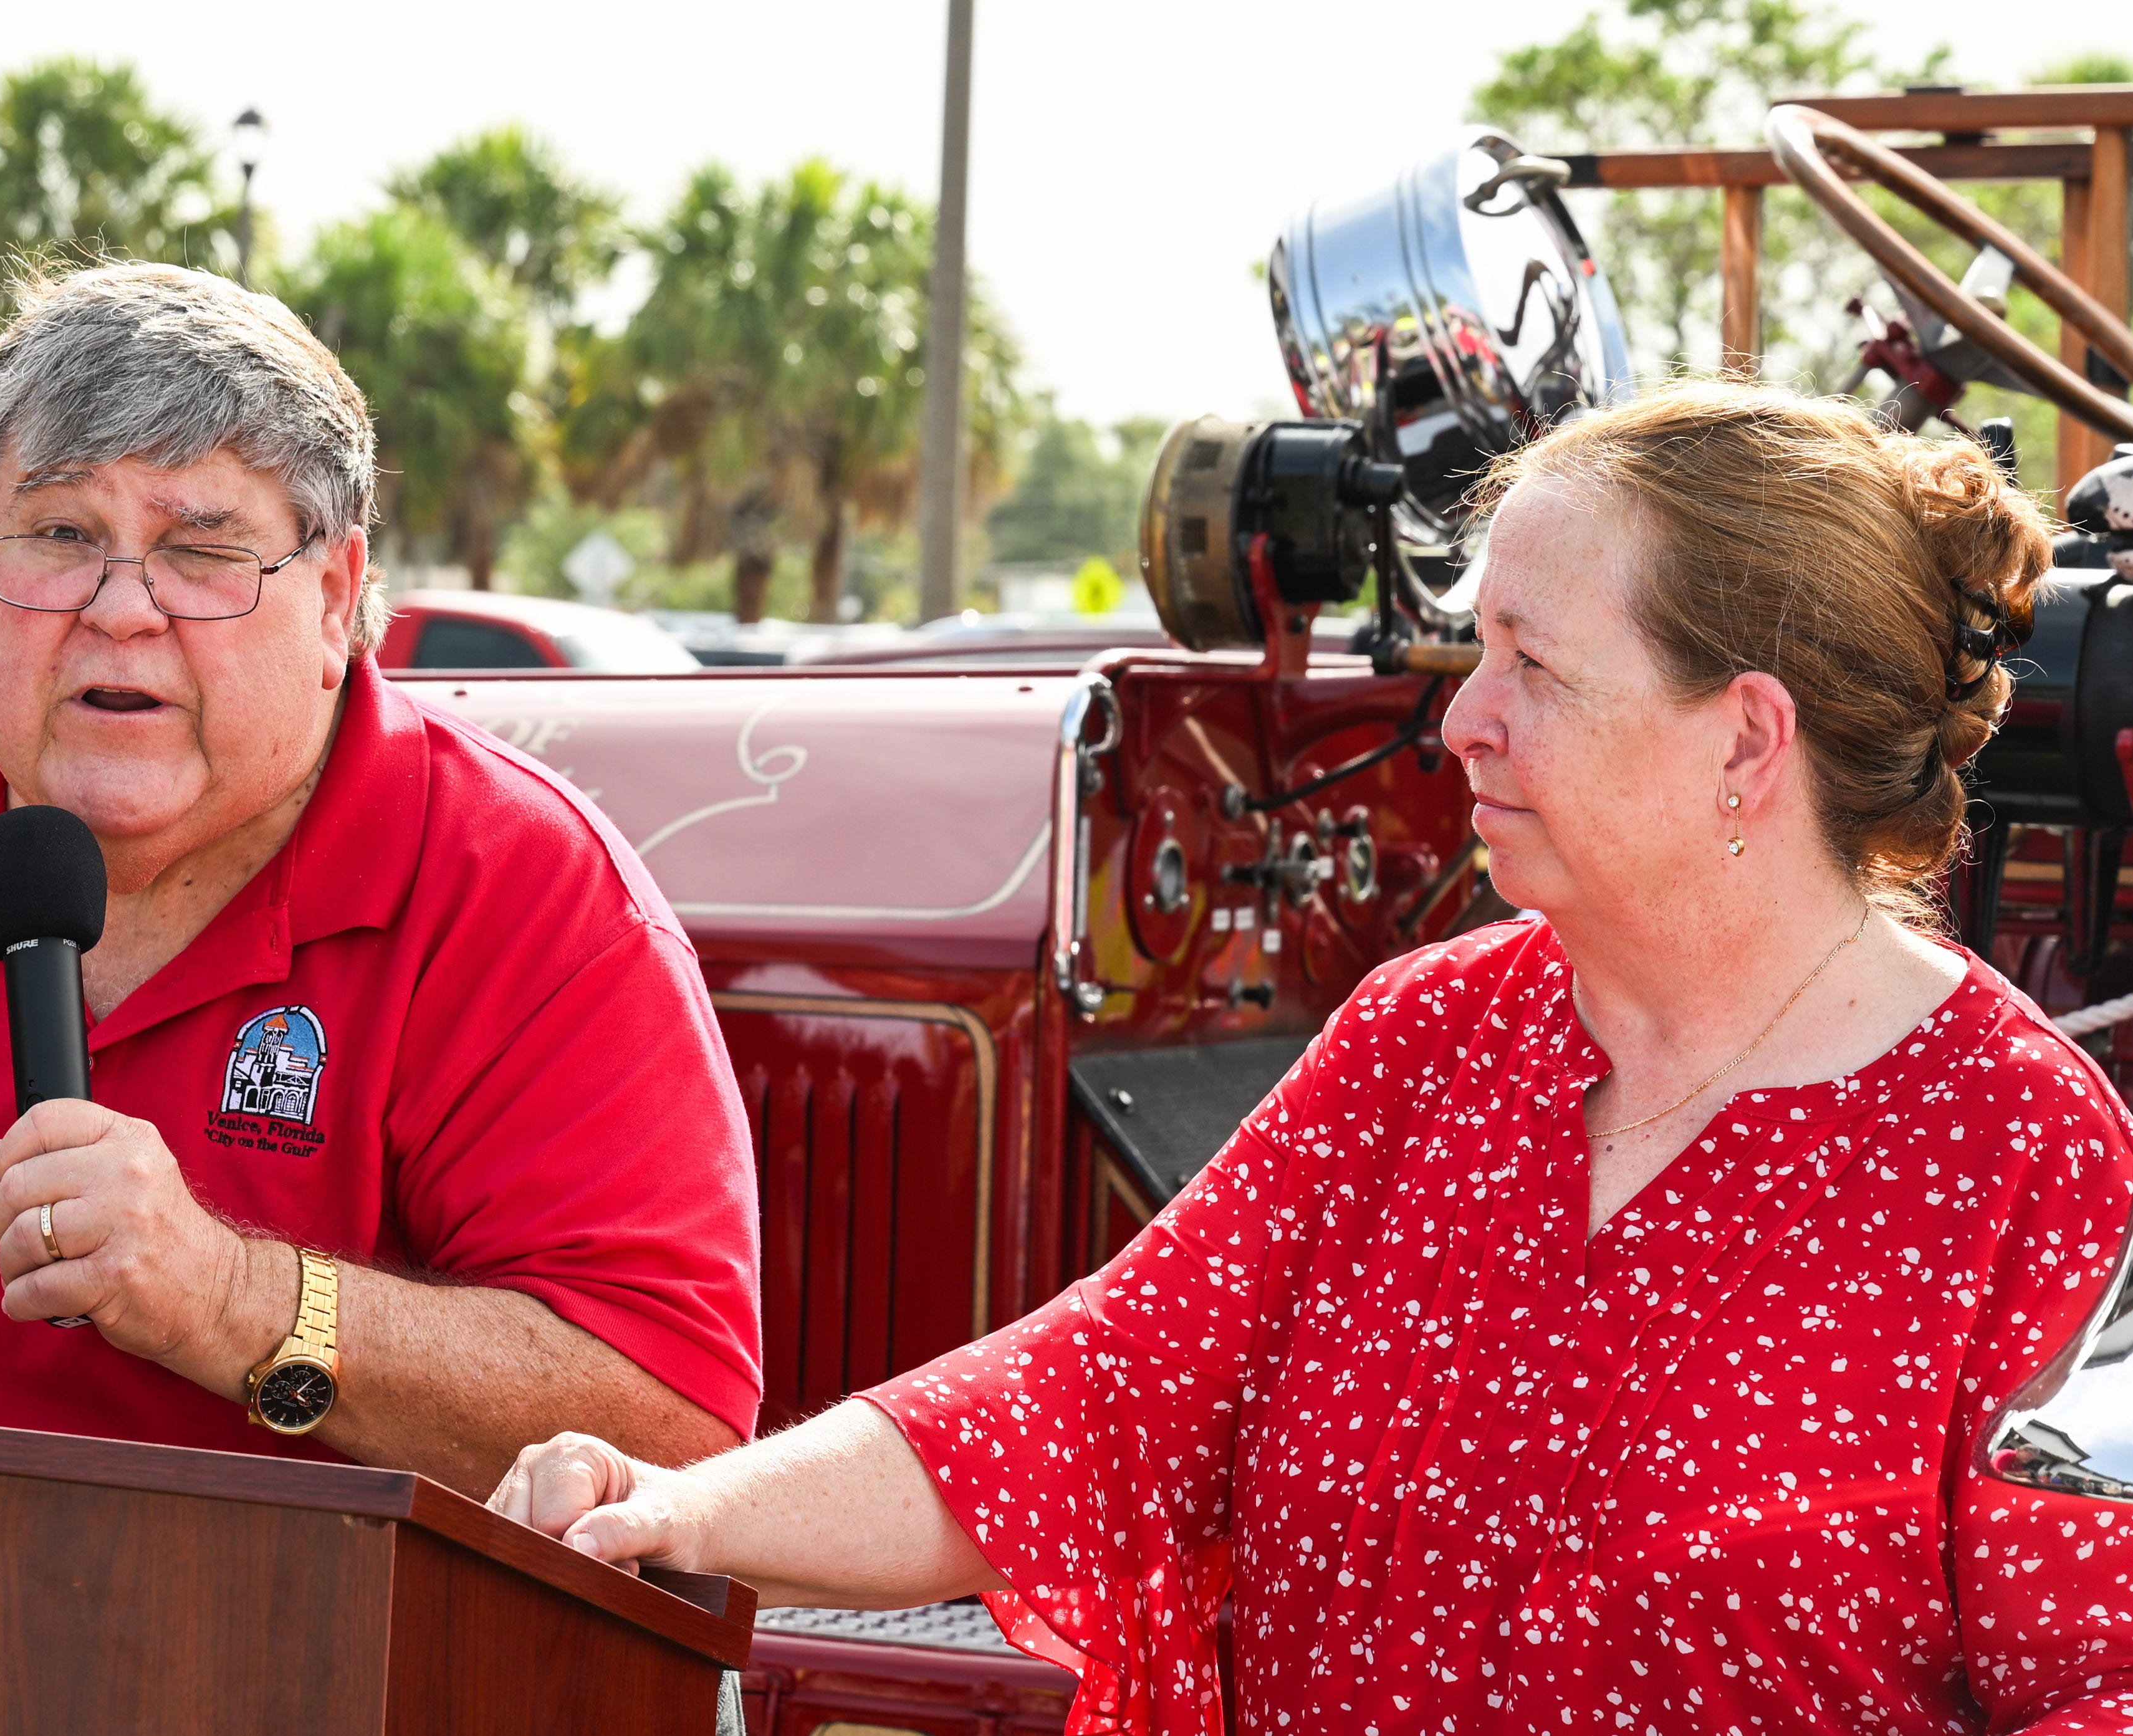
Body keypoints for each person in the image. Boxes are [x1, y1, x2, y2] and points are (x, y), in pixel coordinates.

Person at [491, 383, 2133, 1733]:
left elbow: (2094, 1685)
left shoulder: (2014, 1149)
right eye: (1475, 651)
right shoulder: (1429, 1035)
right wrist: (676, 1512)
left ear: (1746, 741)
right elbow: (1094, 1399)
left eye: (1534, 666)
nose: (1460, 719)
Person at [0, 263, 760, 1492]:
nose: (124, 608)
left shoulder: (528, 894)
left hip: (326, 1671)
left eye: (202, 551)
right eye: (62, 535)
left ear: (335, 597)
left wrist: (232, 1301)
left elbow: (673, 1415)